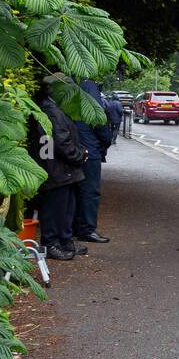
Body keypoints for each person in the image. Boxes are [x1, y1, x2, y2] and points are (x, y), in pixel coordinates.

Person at [27, 75, 88, 261]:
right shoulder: (52, 110)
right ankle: (51, 243)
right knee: (55, 208)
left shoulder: (52, 108)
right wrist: (79, 155)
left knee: (65, 207)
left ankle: (64, 241)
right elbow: (61, 142)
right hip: (57, 168)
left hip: (60, 168)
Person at [72, 78, 112, 245]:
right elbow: (100, 121)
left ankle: (74, 227)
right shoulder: (89, 86)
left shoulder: (70, 83)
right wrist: (105, 141)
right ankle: (87, 229)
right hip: (89, 148)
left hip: (71, 148)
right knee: (90, 191)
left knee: (74, 190)